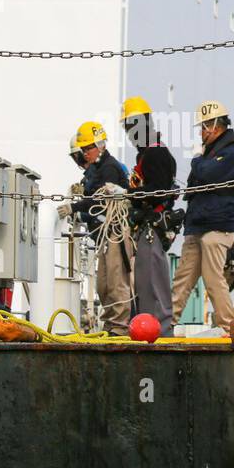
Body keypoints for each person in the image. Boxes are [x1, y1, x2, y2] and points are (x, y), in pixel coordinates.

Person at [171, 100, 234, 331]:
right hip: (198, 224)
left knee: (213, 279)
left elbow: (205, 173)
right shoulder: (212, 153)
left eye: (203, 127)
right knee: (183, 279)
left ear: (214, 126)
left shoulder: (231, 154)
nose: (201, 132)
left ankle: (227, 327)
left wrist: (197, 159)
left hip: (217, 226)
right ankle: (166, 323)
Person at [121, 97, 177, 335]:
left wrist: (130, 194)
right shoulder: (146, 155)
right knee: (144, 283)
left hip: (154, 225)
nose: (129, 133)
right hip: (145, 227)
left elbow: (159, 190)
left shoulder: (156, 154)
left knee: (154, 282)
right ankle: (147, 329)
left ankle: (161, 331)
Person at [72, 121, 133, 336]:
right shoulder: (98, 169)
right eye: (83, 150)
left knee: (116, 281)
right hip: (106, 234)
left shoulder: (109, 167)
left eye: (87, 148)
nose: (85, 154)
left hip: (116, 231)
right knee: (103, 284)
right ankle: (110, 324)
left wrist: (75, 208)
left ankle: (119, 326)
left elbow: (99, 200)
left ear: (99, 145)